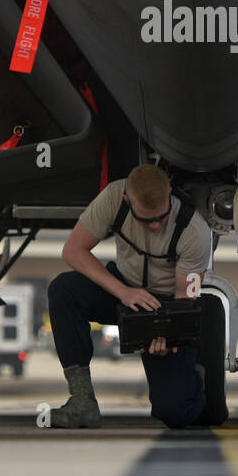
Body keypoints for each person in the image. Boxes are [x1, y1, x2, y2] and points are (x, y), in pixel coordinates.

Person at [47, 164, 214, 428]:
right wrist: (123, 292)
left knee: (176, 414)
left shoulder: (196, 233)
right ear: (128, 199)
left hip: (167, 305)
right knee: (63, 289)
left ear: (169, 192)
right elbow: (73, 251)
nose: (155, 225)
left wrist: (165, 333)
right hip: (123, 288)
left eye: (161, 217)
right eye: (146, 220)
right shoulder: (114, 198)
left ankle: (194, 376)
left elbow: (186, 298)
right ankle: (82, 401)